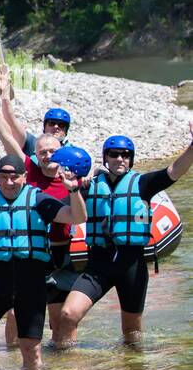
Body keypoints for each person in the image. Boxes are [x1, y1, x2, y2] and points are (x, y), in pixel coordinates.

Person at [54, 124, 193, 347]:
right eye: (114, 154)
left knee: (132, 332)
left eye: (126, 155)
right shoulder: (88, 186)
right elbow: (58, 211)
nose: (120, 159)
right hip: (98, 263)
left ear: (131, 159)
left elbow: (175, 170)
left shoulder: (144, 184)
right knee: (68, 314)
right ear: (105, 158)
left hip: (132, 265)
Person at [0, 154, 85, 370]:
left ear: (24, 177)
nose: (8, 182)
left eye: (14, 177)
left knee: (31, 352)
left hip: (32, 284)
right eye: (3, 177)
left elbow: (76, 217)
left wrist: (73, 190)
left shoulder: (38, 200)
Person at [0, 68, 72, 338]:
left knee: (59, 319)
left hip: (58, 253)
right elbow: (5, 132)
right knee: (15, 313)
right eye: (42, 152)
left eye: (52, 151)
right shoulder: (27, 169)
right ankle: (14, 365)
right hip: (27, 250)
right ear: (35, 154)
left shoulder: (72, 175)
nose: (47, 155)